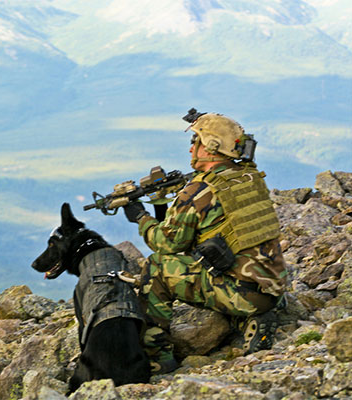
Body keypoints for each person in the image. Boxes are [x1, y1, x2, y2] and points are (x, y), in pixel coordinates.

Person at [122, 109, 287, 374]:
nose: (191, 149)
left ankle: (158, 356)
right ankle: (248, 322)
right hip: (271, 289)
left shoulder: (199, 190)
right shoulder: (248, 176)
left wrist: (140, 217)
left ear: (210, 147)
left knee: (155, 268)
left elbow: (167, 244)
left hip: (243, 295)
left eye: (194, 142)